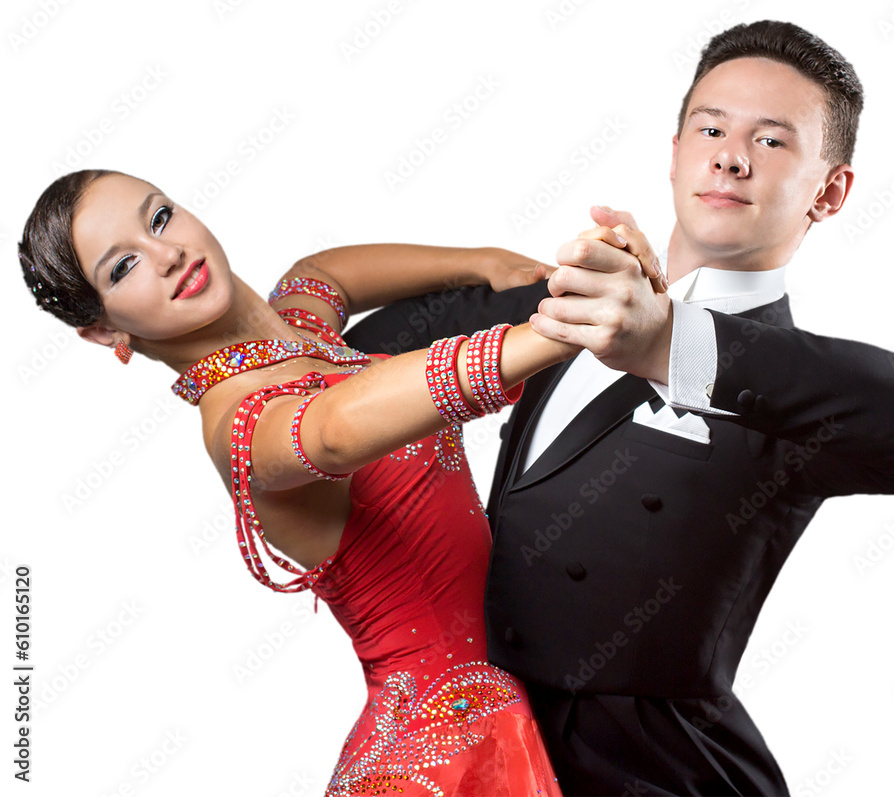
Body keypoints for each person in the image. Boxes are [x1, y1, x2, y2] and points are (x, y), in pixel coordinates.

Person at [343, 20, 894, 796]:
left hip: (655, 770)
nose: (731, 156)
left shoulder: (795, 394)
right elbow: (351, 351)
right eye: (711, 129)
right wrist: (481, 262)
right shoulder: (566, 306)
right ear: (674, 153)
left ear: (830, 191)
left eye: (771, 141)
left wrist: (671, 343)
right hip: (475, 749)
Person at [17, 168, 650, 796]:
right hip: (441, 749)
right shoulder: (239, 424)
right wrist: (563, 329)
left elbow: (323, 273)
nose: (167, 254)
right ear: (105, 330)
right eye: (123, 266)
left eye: (160, 217)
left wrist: (482, 262)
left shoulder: (303, 334)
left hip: (505, 695)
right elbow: (332, 431)